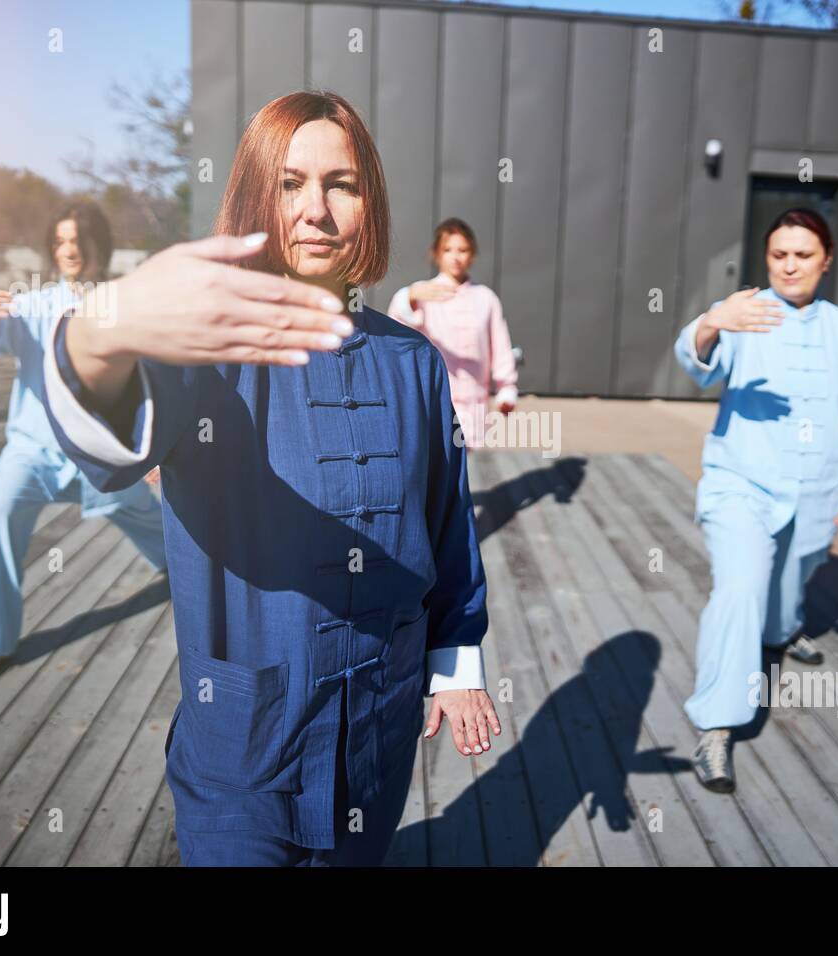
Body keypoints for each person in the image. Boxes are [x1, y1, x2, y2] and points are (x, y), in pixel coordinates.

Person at [39, 91, 501, 866]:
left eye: (341, 184)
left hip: (377, 739)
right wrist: (104, 327)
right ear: (256, 193)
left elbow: (447, 525)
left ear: (371, 202)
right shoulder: (208, 348)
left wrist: (456, 664)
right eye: (290, 184)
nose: (315, 209)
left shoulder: (412, 361)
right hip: (247, 751)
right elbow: (104, 439)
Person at [672, 208, 838, 794]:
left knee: (790, 585)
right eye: (778, 254)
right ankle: (717, 725)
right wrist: (714, 320)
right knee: (739, 588)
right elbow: (696, 364)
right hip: (741, 482)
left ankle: (783, 630)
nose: (789, 265)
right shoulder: (745, 313)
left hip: (818, 489)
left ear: (827, 259)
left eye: (802, 254)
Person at [0, 201, 167, 686]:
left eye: (77, 239)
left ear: (98, 245)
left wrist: (151, 450)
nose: (69, 250)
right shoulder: (31, 304)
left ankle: (179, 566)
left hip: (101, 455)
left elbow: (149, 378)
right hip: (32, 452)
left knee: (141, 513)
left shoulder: (121, 305)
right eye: (60, 241)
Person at [386, 218, 518, 448]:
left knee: (463, 468)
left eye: (463, 250)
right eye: (448, 250)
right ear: (436, 253)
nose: (456, 256)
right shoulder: (424, 292)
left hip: (474, 401)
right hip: (433, 400)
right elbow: (396, 330)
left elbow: (500, 346)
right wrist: (409, 296)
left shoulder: (485, 298)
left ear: (472, 254)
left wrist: (506, 389)